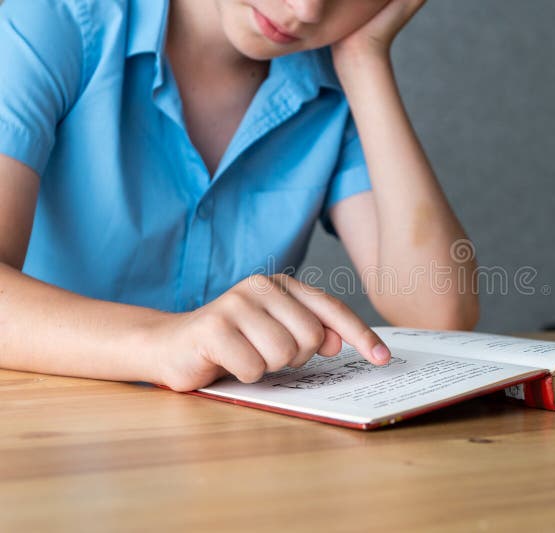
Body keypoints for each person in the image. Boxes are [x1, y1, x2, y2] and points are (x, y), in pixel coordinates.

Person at [0, 0, 479, 391]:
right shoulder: (55, 19)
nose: (306, 9)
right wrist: (167, 341)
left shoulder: (335, 81)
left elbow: (438, 312)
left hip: (223, 449)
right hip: (50, 434)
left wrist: (364, 59)